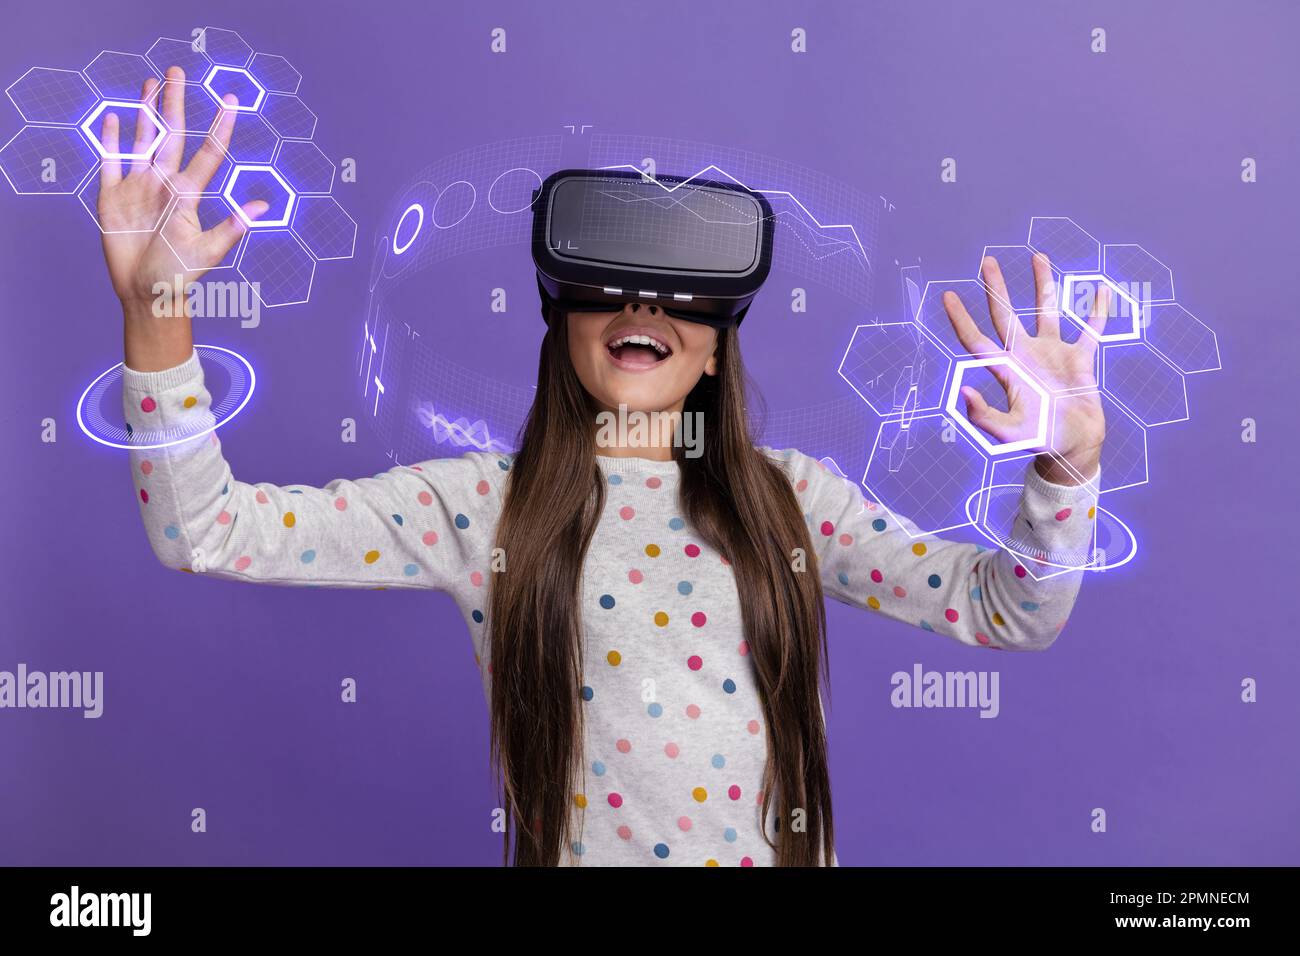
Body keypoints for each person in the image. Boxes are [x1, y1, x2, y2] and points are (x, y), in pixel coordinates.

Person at [100, 67, 1107, 867]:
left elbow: (1010, 610)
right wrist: (157, 314)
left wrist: (1067, 462)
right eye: (606, 288)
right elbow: (206, 528)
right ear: (560, 319)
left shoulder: (796, 502)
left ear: (719, 343)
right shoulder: (480, 507)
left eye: (681, 298)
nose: (642, 310)